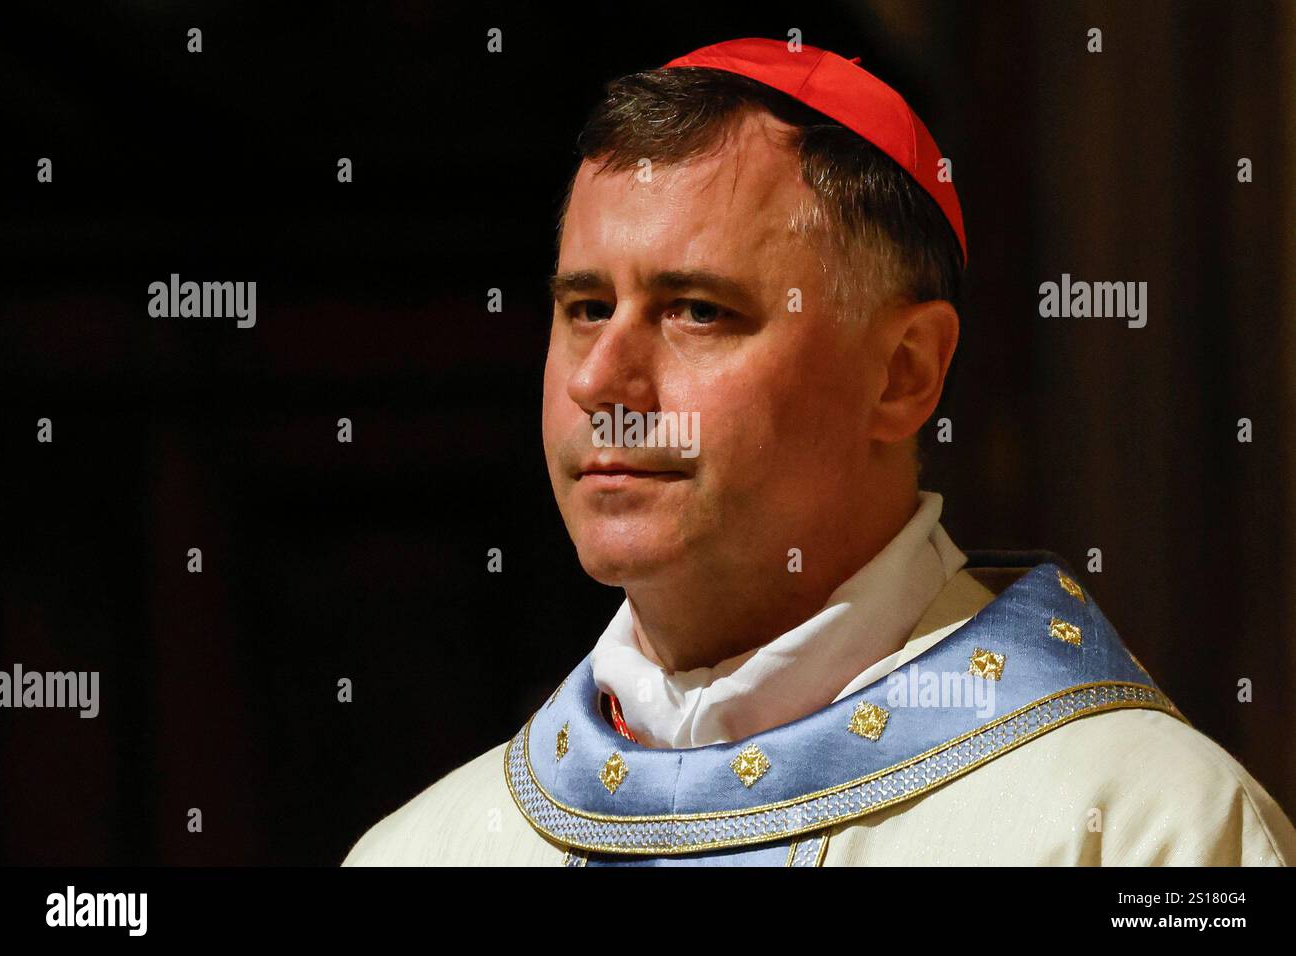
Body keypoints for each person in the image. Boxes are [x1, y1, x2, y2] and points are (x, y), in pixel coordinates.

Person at [343, 37, 1296, 866]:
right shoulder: (428, 850)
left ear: (903, 375)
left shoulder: (1141, 831)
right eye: (586, 308)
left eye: (698, 312)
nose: (603, 381)